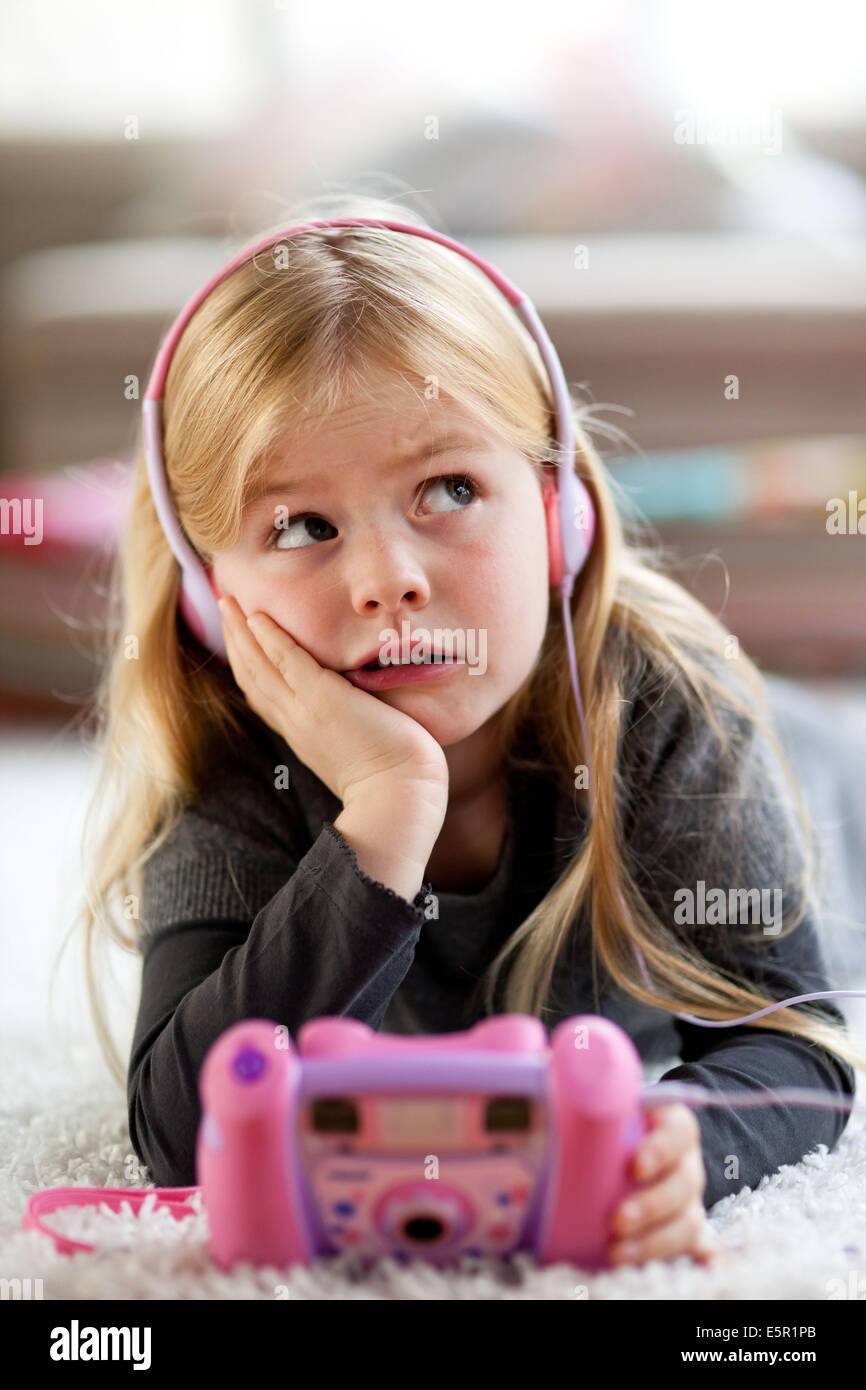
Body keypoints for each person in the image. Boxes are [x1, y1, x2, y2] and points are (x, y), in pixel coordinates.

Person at [74, 192, 865, 1271]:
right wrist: (385, 813)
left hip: (828, 787)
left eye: (447, 487)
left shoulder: (667, 708)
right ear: (217, 599)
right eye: (302, 525)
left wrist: (681, 1138)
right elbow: (181, 1138)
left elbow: (793, 1044)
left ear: (554, 513)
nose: (387, 580)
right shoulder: (234, 762)